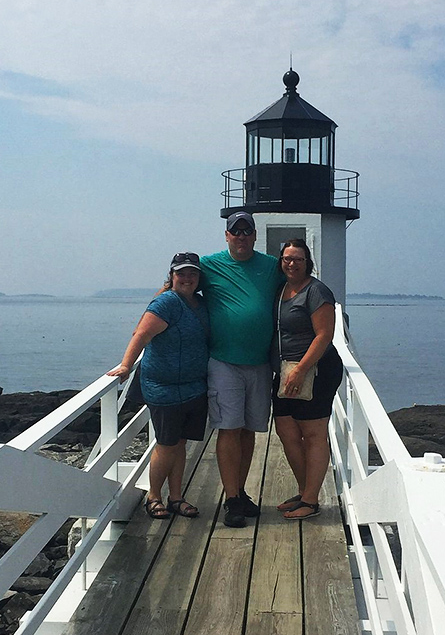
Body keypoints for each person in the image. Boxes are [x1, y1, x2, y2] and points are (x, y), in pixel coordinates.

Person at [107, 252, 209, 519]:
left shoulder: (199, 303)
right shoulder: (166, 302)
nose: (187, 278)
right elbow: (141, 334)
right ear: (172, 276)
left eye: (192, 273)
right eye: (181, 273)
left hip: (194, 387)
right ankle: (154, 497)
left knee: (180, 443)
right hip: (165, 388)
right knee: (166, 444)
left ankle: (176, 497)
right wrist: (126, 366)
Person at [200, 212, 283, 527]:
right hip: (224, 361)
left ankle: (241, 490)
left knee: (249, 430)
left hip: (260, 364)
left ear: (255, 236)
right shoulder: (209, 265)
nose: (242, 237)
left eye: (247, 231)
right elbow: (178, 286)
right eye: (236, 232)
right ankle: (232, 498)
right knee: (229, 428)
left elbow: (299, 285)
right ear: (227, 235)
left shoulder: (271, 266)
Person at [272, 239, 343, 519]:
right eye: (287, 258)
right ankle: (304, 492)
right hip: (285, 370)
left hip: (316, 370)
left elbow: (325, 335)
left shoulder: (316, 291)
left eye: (298, 259)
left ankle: (311, 501)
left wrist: (301, 369)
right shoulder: (281, 289)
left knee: (313, 434)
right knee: (286, 430)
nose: (292, 264)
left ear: (307, 262)